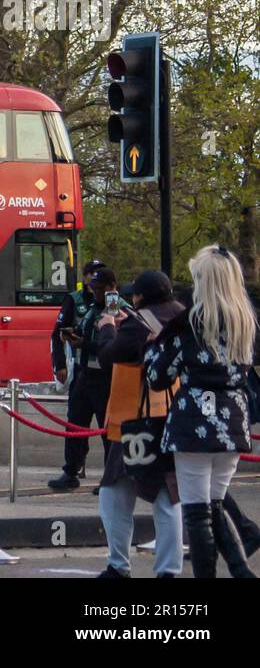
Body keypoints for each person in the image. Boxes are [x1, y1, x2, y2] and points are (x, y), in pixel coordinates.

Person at [145, 245, 257, 578]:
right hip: (234, 418)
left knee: (196, 511)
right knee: (216, 502)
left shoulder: (188, 325)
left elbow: (157, 377)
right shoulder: (245, 322)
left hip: (195, 417)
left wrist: (153, 345)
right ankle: (240, 570)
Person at [92, 269, 183, 578]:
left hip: (135, 420)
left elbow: (108, 357)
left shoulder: (138, 323)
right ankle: (169, 570)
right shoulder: (183, 317)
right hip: (172, 416)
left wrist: (107, 328)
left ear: (141, 297)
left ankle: (118, 566)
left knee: (114, 492)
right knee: (167, 495)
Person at [48, 259, 107, 490]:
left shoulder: (115, 305)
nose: (94, 281)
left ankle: (110, 476)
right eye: (91, 275)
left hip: (105, 374)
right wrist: (60, 365)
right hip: (82, 372)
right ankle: (71, 470)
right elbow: (58, 333)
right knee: (75, 423)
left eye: (99, 276)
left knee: (106, 427)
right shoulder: (77, 300)